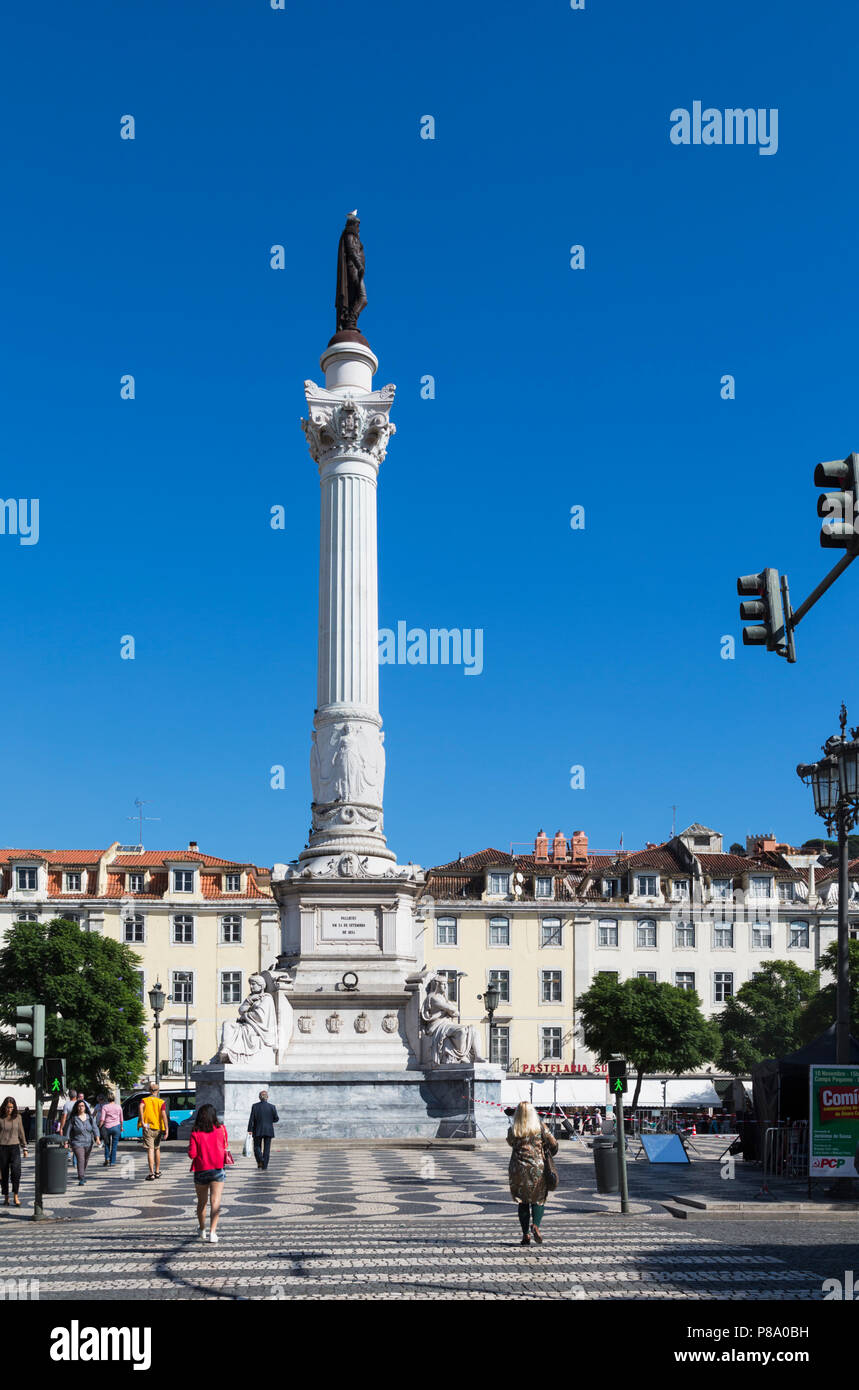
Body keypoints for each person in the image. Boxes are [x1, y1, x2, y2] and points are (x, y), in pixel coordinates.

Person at [507, 1100, 559, 1247]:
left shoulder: (514, 1129)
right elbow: (553, 1143)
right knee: (538, 1199)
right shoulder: (540, 1127)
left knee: (522, 1201)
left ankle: (525, 1235)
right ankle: (535, 1225)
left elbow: (510, 1142)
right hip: (537, 1168)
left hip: (518, 1168)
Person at [188, 1103, 229, 1244]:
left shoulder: (195, 1132)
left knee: (202, 1202)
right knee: (215, 1201)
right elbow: (225, 1146)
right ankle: (213, 1232)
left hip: (200, 1170)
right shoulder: (221, 1129)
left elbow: (192, 1154)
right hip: (217, 1169)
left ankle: (202, 1229)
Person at [64, 1099, 101, 1184]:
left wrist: (97, 1138)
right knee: (81, 1159)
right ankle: (81, 1177)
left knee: (86, 1160)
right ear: (76, 1107)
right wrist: (66, 1142)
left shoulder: (90, 1118)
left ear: (85, 1107)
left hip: (88, 1142)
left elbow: (95, 1128)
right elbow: (68, 1131)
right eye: (79, 1106)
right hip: (77, 1142)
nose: (81, 1107)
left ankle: (81, 1173)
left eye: (82, 1106)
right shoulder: (73, 1118)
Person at [0, 1097, 28, 1207]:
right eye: (7, 1107)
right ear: (4, 1107)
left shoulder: (18, 1118)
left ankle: (16, 1195)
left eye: (11, 1107)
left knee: (16, 1172)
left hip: (15, 1147)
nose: (9, 1109)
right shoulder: (0, 1118)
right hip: (2, 1148)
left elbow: (21, 1133)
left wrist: (24, 1147)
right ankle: (6, 1196)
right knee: (4, 1174)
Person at [138, 1081, 168, 1180]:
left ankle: (151, 1174)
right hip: (158, 1128)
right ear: (157, 1091)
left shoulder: (144, 1100)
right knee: (157, 1148)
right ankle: (157, 1171)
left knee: (150, 1150)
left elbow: (140, 1107)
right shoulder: (161, 1102)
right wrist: (166, 1129)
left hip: (147, 1128)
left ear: (149, 1091)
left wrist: (142, 1121)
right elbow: (164, 1116)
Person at [247, 1090, 279, 1170]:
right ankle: (264, 1165)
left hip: (258, 1129)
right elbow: (276, 1119)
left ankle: (261, 1160)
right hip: (268, 1130)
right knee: (267, 1149)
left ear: (259, 1097)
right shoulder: (272, 1106)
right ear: (267, 1097)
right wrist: (269, 1120)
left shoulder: (255, 1106)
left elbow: (252, 1119)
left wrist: (249, 1129)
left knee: (257, 1147)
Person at [98, 1091, 123, 1167]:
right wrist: (121, 1127)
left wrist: (99, 1127)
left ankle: (107, 1158)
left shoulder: (105, 1107)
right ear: (114, 1098)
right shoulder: (118, 1107)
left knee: (107, 1144)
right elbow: (121, 1119)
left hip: (107, 1127)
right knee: (114, 1145)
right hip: (116, 1127)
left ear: (107, 1099)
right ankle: (112, 1162)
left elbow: (102, 1119)